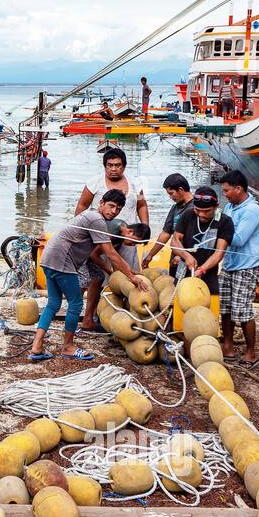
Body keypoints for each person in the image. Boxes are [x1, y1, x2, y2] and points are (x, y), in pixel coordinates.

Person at [29, 190, 151, 362]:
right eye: (111, 206)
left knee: (54, 303)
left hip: (49, 257)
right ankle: (68, 347)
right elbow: (110, 254)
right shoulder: (97, 220)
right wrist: (131, 277)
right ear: (101, 202)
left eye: (118, 209)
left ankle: (36, 346)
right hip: (63, 261)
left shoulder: (92, 216)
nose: (113, 211)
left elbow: (109, 254)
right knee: (76, 304)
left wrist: (131, 272)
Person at [74, 147, 148, 329]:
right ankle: (93, 317)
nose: (114, 169)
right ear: (104, 166)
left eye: (118, 165)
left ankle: (129, 318)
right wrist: (80, 233)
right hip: (102, 238)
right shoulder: (95, 183)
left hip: (127, 238)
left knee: (129, 276)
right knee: (98, 278)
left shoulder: (135, 184)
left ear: (124, 166)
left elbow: (142, 205)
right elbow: (81, 206)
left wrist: (144, 227)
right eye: (110, 165)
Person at [219, 170, 259, 366]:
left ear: (239, 189)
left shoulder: (251, 210)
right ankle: (227, 346)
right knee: (225, 308)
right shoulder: (229, 207)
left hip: (246, 268)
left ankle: (251, 352)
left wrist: (218, 235)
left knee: (243, 310)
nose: (225, 194)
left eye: (227, 190)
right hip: (229, 264)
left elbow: (238, 239)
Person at [171, 186, 232, 292]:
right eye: (197, 210)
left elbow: (219, 253)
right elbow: (175, 241)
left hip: (208, 273)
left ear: (216, 207)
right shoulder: (188, 215)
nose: (201, 215)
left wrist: (202, 269)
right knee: (180, 300)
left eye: (206, 211)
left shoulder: (225, 222)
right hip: (183, 270)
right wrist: (186, 256)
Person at [141, 173, 194, 267]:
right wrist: (150, 255)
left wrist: (184, 256)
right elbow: (166, 234)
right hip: (175, 259)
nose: (170, 197)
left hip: (192, 259)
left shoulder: (198, 207)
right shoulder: (175, 208)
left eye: (171, 193)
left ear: (180, 190)